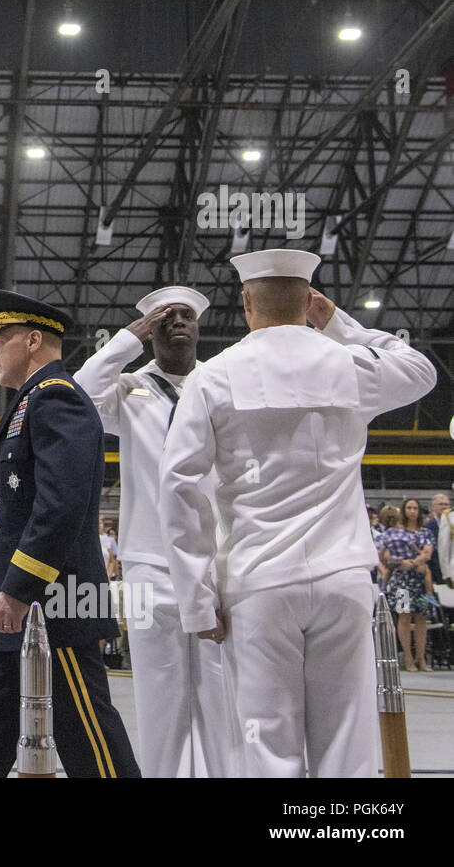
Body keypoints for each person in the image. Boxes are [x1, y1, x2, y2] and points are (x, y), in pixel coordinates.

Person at [159, 249, 437, 777]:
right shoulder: (351, 366)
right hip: (342, 578)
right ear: (308, 299)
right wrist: (338, 323)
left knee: (265, 743)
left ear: (246, 301)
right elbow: (419, 370)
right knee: (348, 743)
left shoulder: (213, 377)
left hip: (258, 582)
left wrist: (197, 599)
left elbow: (179, 487)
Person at [0, 290, 139, 778]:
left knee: (88, 733)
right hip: (28, 606)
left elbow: (62, 504)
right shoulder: (31, 400)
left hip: (56, 601)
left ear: (32, 340)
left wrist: (20, 588)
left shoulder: (57, 397)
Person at [73, 285, 235, 778]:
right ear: (151, 330)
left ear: (200, 325)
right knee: (159, 692)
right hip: (149, 559)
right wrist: (126, 340)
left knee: (221, 691)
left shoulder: (221, 382)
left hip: (217, 559)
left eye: (186, 315)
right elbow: (78, 393)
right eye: (165, 319)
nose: (177, 323)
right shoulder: (129, 389)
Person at [379, 498, 436, 672]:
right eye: (409, 508)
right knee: (404, 617)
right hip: (401, 582)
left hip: (420, 582)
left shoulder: (425, 532)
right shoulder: (394, 533)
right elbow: (385, 556)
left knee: (421, 618)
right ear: (404, 511)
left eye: (415, 508)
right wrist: (399, 562)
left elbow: (427, 553)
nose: (412, 511)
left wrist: (413, 561)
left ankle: (421, 658)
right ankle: (408, 658)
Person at [423, 491, 451, 588]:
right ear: (433, 507)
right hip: (435, 574)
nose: (444, 507)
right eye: (440, 504)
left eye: (446, 504)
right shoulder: (427, 527)